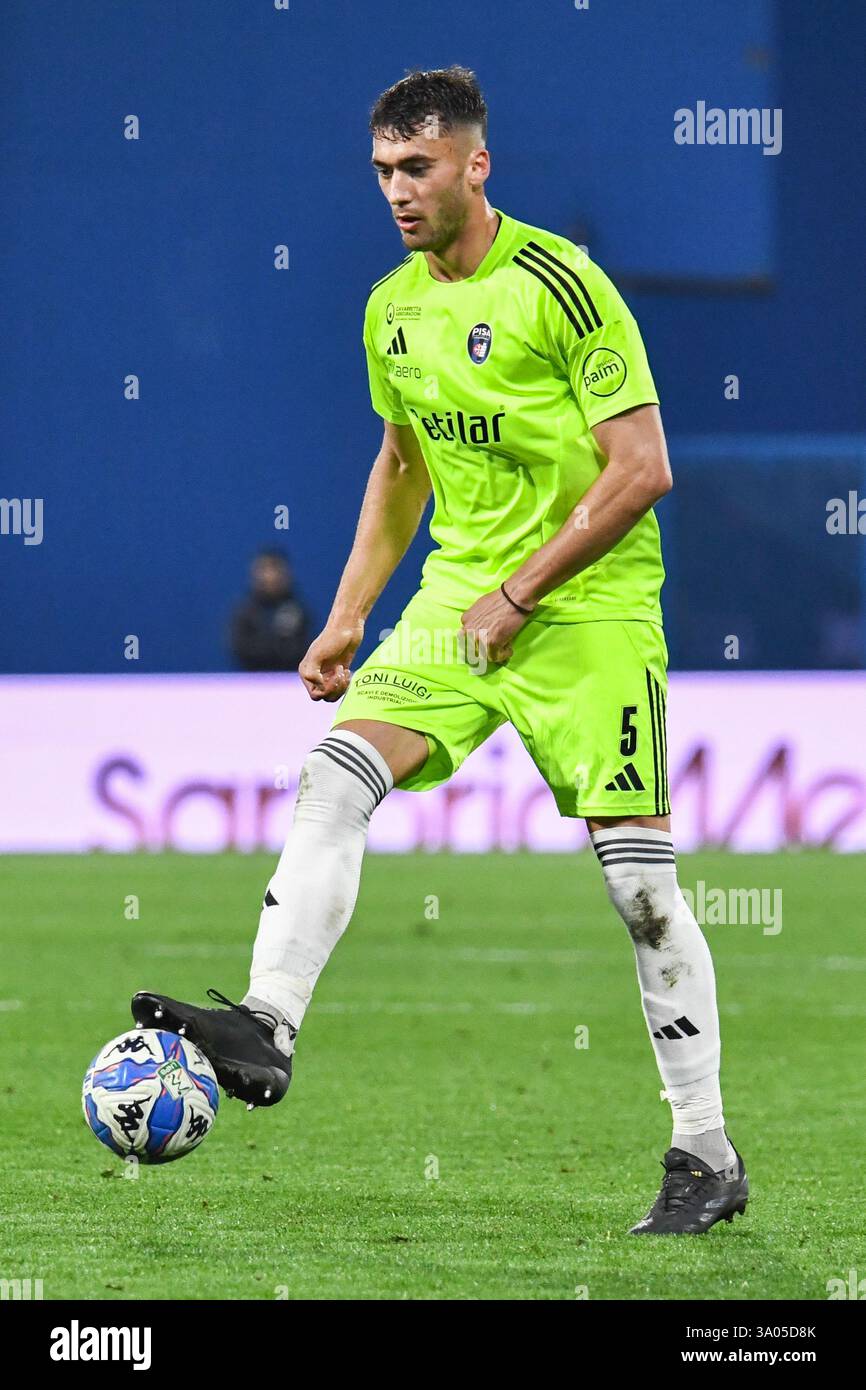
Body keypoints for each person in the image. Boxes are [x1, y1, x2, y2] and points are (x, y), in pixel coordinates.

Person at [132, 66, 747, 1236]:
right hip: (457, 599)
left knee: (640, 892)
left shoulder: (563, 287)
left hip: (592, 609)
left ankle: (703, 1152)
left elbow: (642, 469)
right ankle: (267, 1021)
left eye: (416, 168)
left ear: (475, 164)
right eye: (381, 172)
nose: (397, 192)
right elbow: (402, 460)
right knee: (333, 774)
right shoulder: (390, 307)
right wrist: (350, 611)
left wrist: (522, 590)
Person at [229, 549, 309, 672]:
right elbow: (240, 648)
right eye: (264, 570)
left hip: (290, 681)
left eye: (275, 569)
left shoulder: (297, 611)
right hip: (252, 682)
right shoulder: (245, 612)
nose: (270, 576)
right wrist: (277, 647)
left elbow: (303, 648)